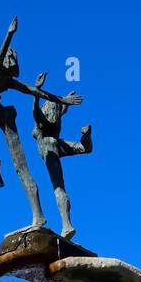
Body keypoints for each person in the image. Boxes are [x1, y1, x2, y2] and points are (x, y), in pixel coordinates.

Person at [0, 17, 82, 231]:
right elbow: (32, 89)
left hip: (0, 114)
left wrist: (10, 34)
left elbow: (33, 90)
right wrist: (10, 34)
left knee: (20, 166)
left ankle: (38, 217)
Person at [31, 73, 92, 240]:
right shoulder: (47, 117)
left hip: (52, 145)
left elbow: (45, 111)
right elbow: (37, 112)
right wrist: (38, 91)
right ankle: (66, 224)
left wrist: (39, 91)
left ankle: (66, 224)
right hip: (53, 146)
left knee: (58, 187)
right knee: (60, 185)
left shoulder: (48, 117)